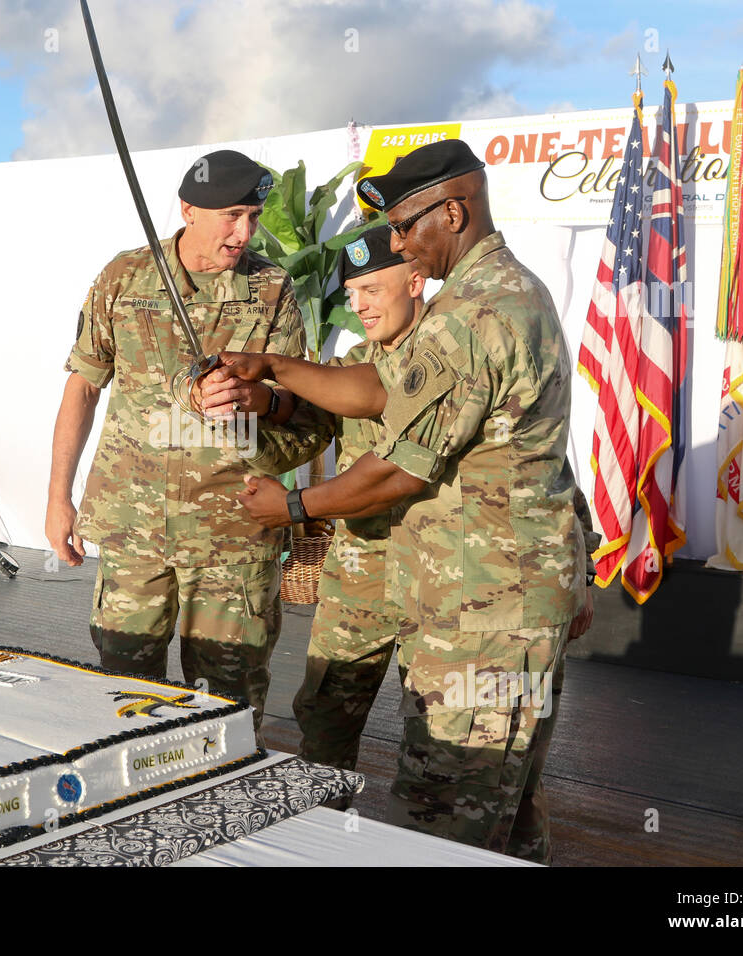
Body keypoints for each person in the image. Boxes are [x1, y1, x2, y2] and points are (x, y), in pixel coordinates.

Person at [201, 139, 591, 862]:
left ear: (454, 210)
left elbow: (397, 471)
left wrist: (292, 509)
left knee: (444, 820)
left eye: (408, 225)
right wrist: (275, 368)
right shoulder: (491, 297)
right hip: (483, 606)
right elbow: (381, 394)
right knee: (505, 816)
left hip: (485, 616)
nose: (399, 244)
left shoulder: (478, 313)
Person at [46, 149, 331, 734]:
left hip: (233, 530)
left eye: (253, 215)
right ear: (187, 210)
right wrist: (58, 497)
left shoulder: (271, 288)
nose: (244, 232)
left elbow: (301, 403)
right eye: (231, 215)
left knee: (228, 702)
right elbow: (82, 388)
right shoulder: (124, 278)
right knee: (124, 689)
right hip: (134, 528)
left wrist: (260, 400)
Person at [286, 225, 425, 773]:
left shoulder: (465, 355)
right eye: (352, 294)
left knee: (443, 746)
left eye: (373, 290)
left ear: (415, 281)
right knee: (322, 725)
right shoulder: (347, 367)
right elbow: (296, 428)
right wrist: (252, 403)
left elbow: (529, 462)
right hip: (357, 581)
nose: (359, 306)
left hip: (437, 584)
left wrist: (577, 564)